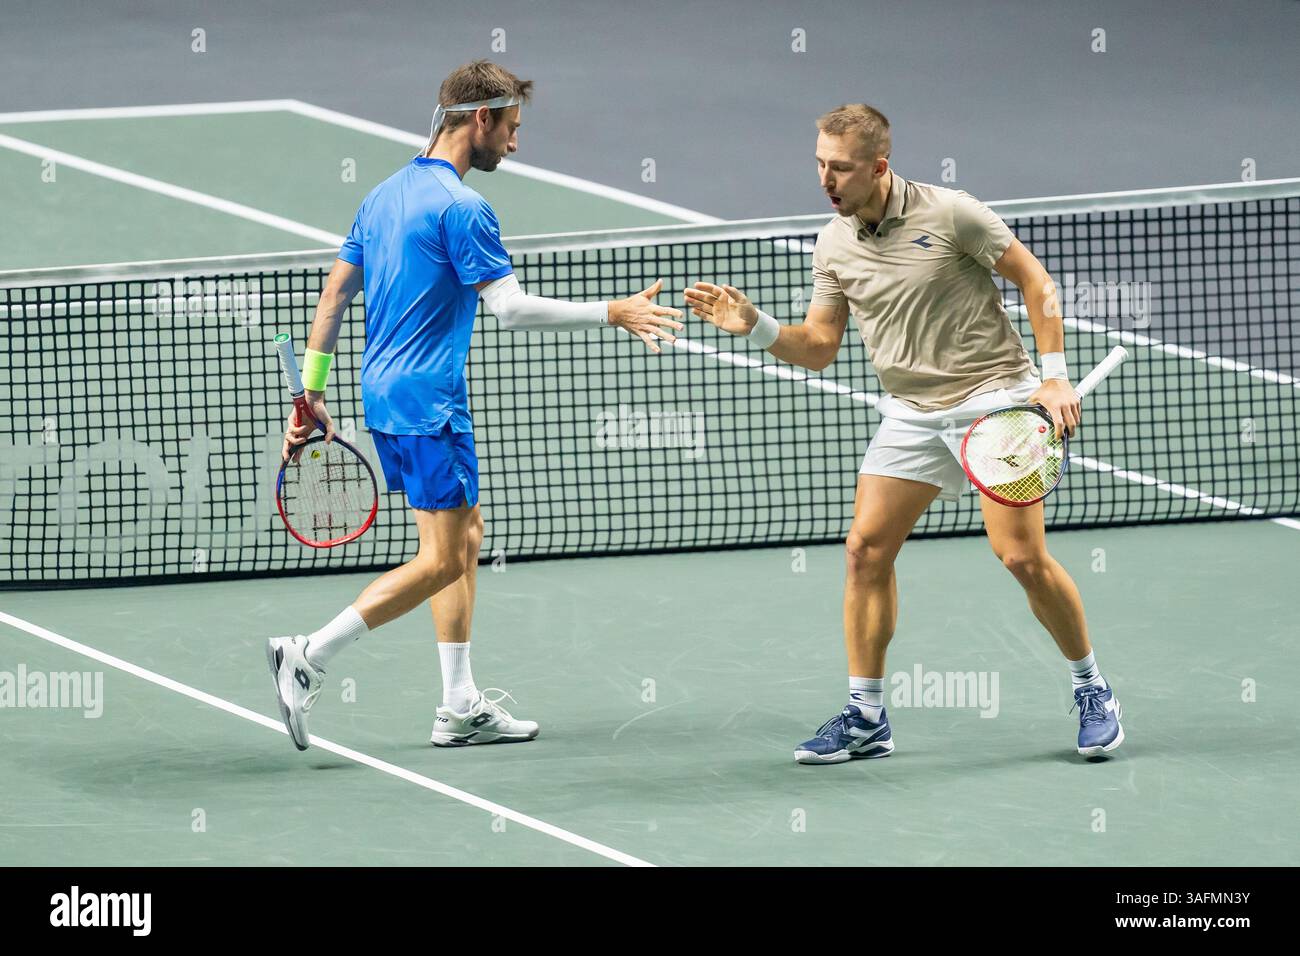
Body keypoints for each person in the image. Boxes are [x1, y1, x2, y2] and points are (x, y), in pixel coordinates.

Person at [685, 104, 1123, 765]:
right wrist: (757, 326)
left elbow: (1035, 281)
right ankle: (866, 717)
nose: (826, 180)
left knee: (1021, 558)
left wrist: (1055, 377)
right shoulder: (832, 243)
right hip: (911, 413)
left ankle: (1094, 689)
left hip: (994, 401)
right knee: (864, 551)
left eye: (841, 168)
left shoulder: (953, 214)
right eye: (819, 166)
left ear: (879, 167)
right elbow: (820, 347)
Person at [268, 60, 682, 752]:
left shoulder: (383, 194)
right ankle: (307, 656)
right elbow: (511, 310)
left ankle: (457, 704)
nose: (515, 144)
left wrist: (308, 395)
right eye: (512, 128)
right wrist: (614, 311)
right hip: (431, 405)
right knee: (442, 559)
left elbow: (334, 295)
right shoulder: (464, 209)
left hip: (384, 396)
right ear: (480, 119)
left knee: (465, 537)